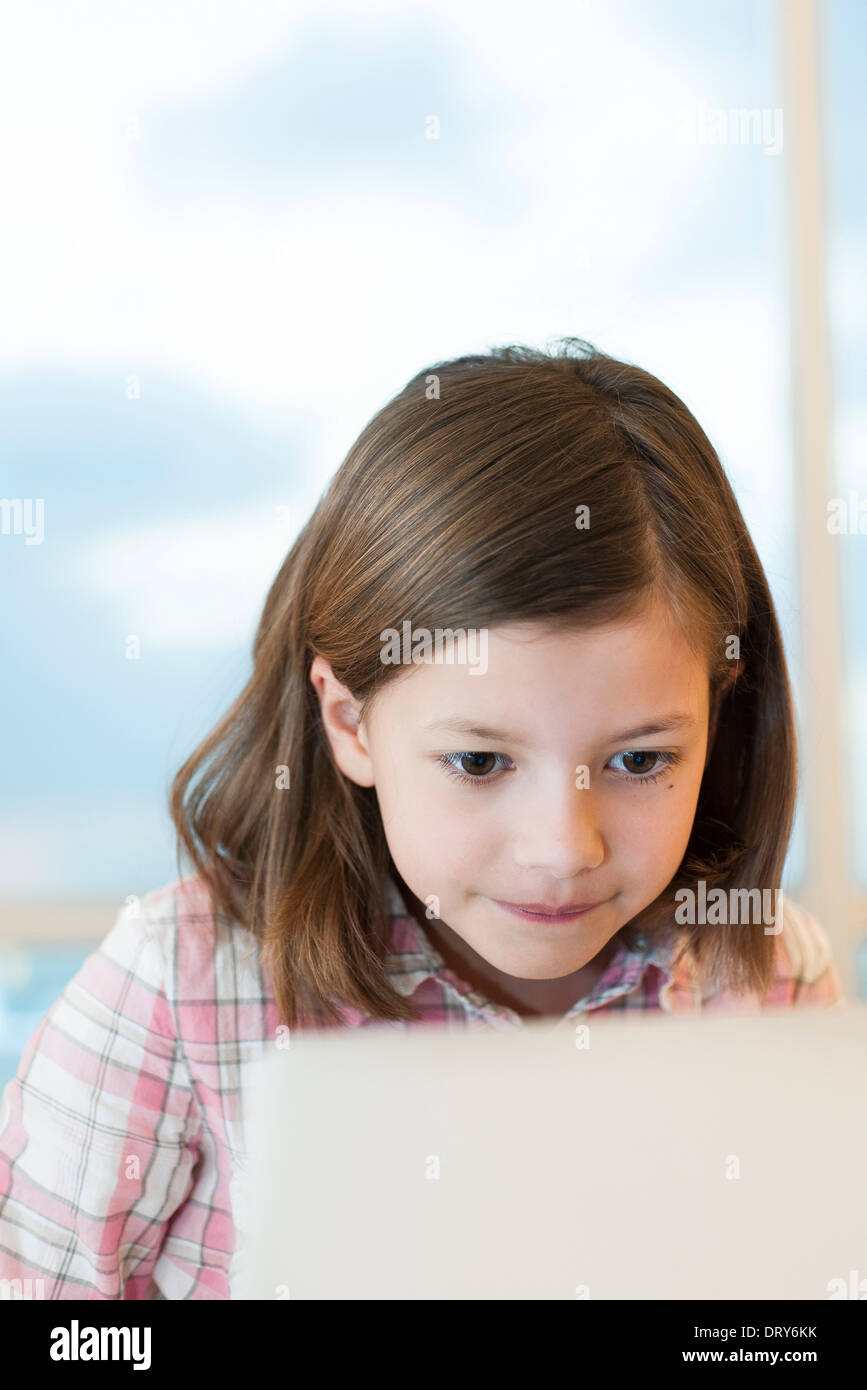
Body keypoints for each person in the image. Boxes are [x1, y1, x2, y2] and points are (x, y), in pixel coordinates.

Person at [0, 338, 843, 1300]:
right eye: (479, 762)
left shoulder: (772, 976)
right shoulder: (174, 992)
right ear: (349, 721)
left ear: (719, 707)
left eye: (639, 760)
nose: (563, 851)